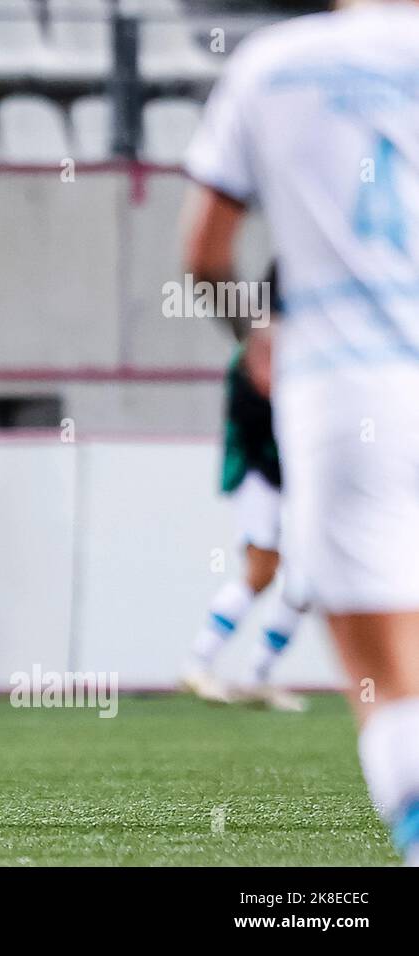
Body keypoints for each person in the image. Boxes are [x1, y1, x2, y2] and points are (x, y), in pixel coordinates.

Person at [183, 0, 419, 862]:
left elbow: (205, 256)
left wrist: (259, 339)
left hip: (351, 397)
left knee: (394, 687)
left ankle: (225, 665)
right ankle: (230, 668)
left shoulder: (271, 63)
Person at [183, 264, 307, 711]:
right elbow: (259, 424)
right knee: (260, 570)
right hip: (259, 472)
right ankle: (199, 664)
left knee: (304, 579)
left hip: (280, 473)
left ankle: (257, 674)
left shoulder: (290, 347)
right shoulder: (262, 347)